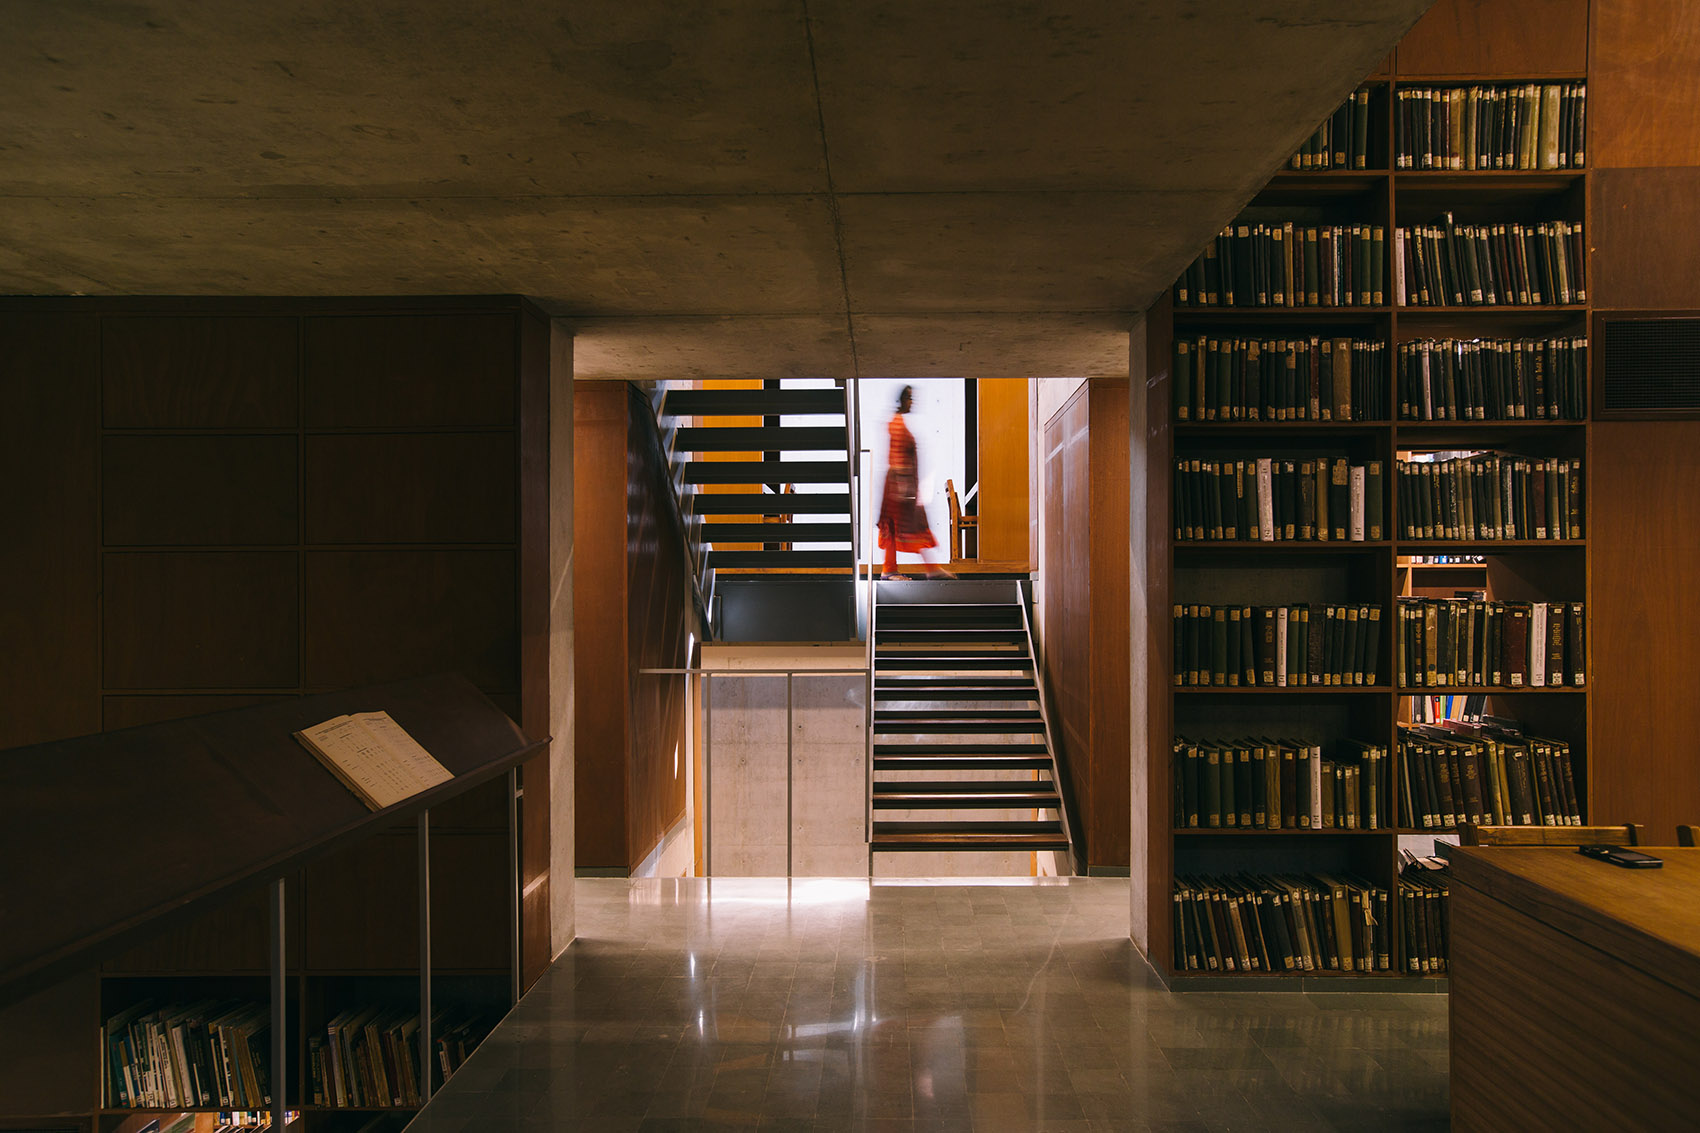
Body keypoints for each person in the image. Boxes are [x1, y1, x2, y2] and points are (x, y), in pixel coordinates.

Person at [876, 385, 954, 580]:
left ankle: (899, 569)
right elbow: (896, 457)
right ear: (902, 400)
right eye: (910, 398)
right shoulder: (896, 424)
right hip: (899, 485)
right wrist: (904, 488)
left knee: (905, 525)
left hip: (901, 484)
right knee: (908, 524)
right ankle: (924, 568)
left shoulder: (898, 422)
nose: (912, 402)